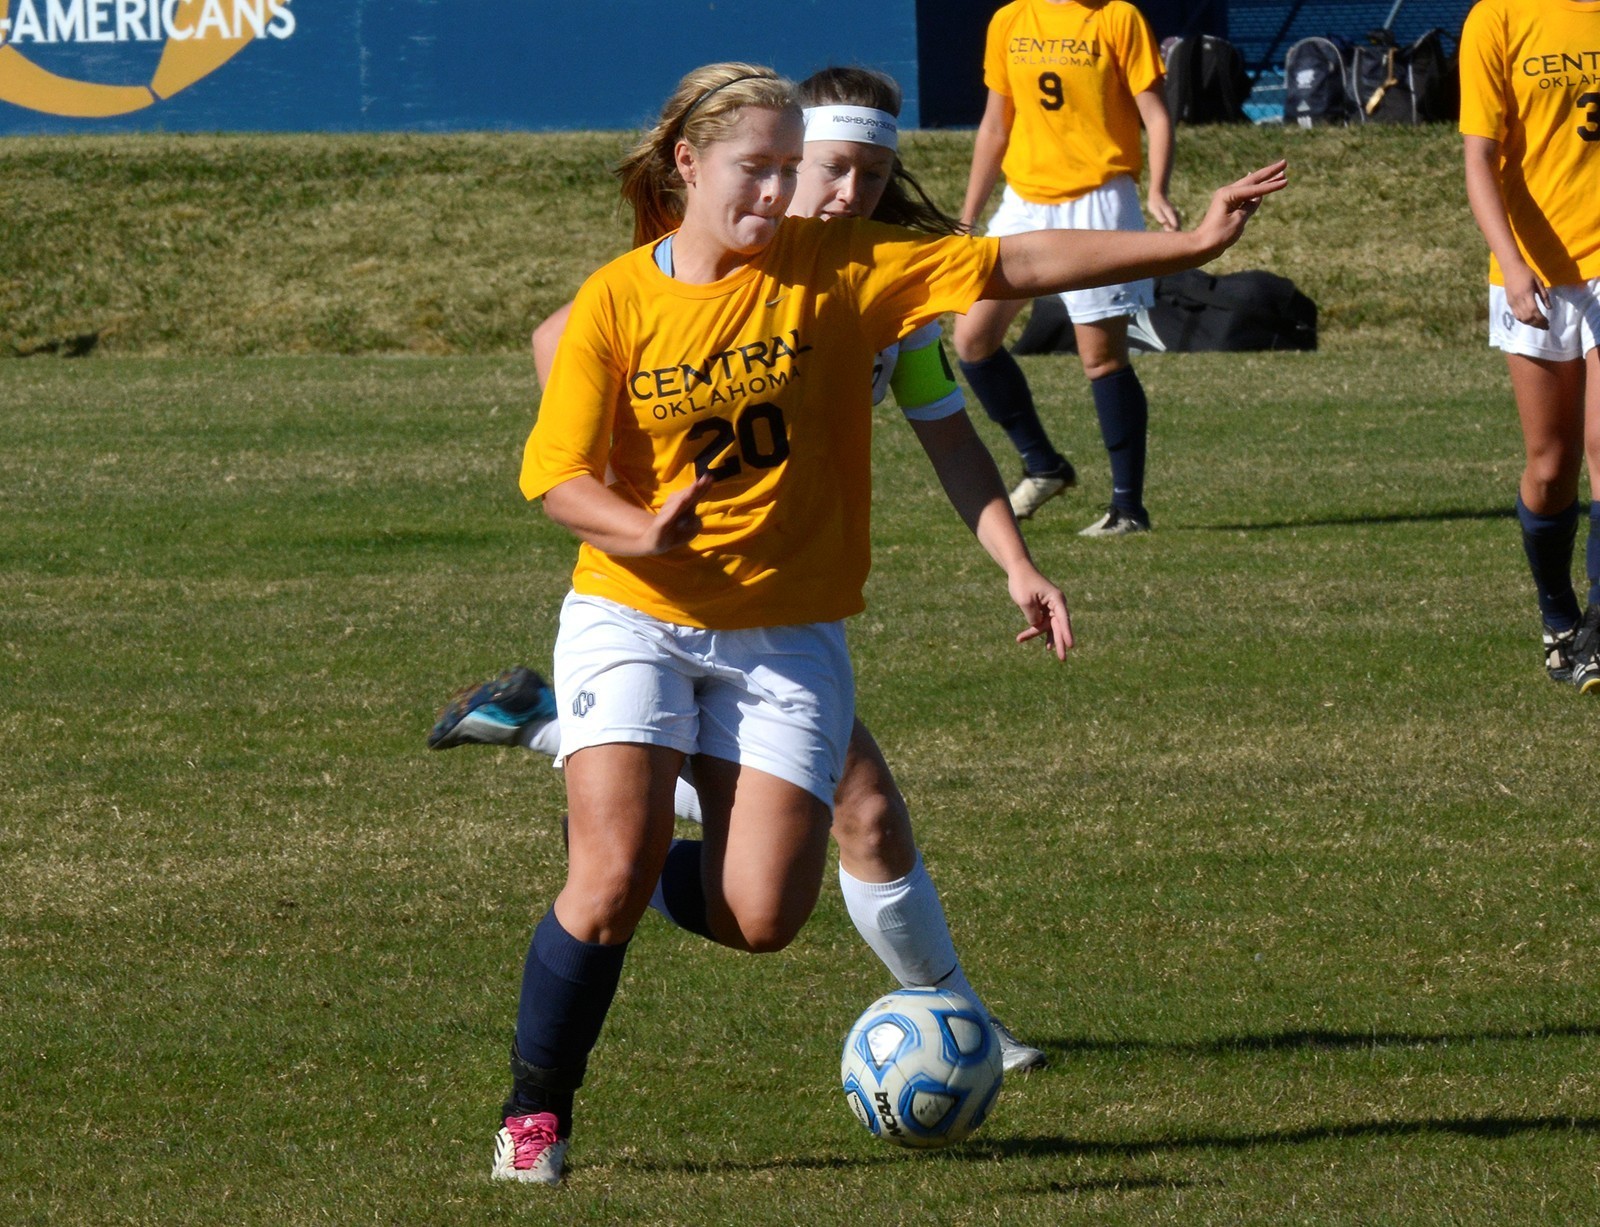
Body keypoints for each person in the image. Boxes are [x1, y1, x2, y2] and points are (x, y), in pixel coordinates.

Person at [490, 59, 1284, 1185]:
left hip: (786, 635)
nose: (779, 194)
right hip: (636, 611)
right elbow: (555, 475)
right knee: (607, 878)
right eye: (756, 170)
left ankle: (631, 829)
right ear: (687, 164)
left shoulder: (846, 269)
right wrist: (639, 529)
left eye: (789, 169)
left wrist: (1187, 245)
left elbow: (1013, 261)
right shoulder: (616, 300)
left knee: (764, 916)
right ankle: (535, 1113)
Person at [436, 66, 1053, 1084]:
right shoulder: (709, 261)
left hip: (783, 614)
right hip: (664, 601)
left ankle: (563, 746)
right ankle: (961, 1018)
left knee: (843, 833)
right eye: (831, 168)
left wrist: (1016, 560)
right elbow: (562, 341)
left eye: (874, 175)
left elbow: (947, 433)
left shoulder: (879, 289)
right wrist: (631, 486)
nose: (848, 192)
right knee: (859, 811)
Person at [951, 0, 1178, 533]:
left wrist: (1158, 189)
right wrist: (968, 216)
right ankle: (1043, 465)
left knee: (1101, 359)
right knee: (972, 340)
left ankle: (1128, 509)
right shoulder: (1011, 18)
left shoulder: (1118, 17)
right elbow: (995, 126)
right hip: (1025, 202)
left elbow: (1155, 115)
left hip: (1099, 199)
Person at [1460, 0, 1600, 691]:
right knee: (1551, 470)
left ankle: (1599, 629)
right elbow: (1479, 160)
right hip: (1536, 274)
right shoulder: (1499, 17)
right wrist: (1512, 264)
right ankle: (1558, 614)